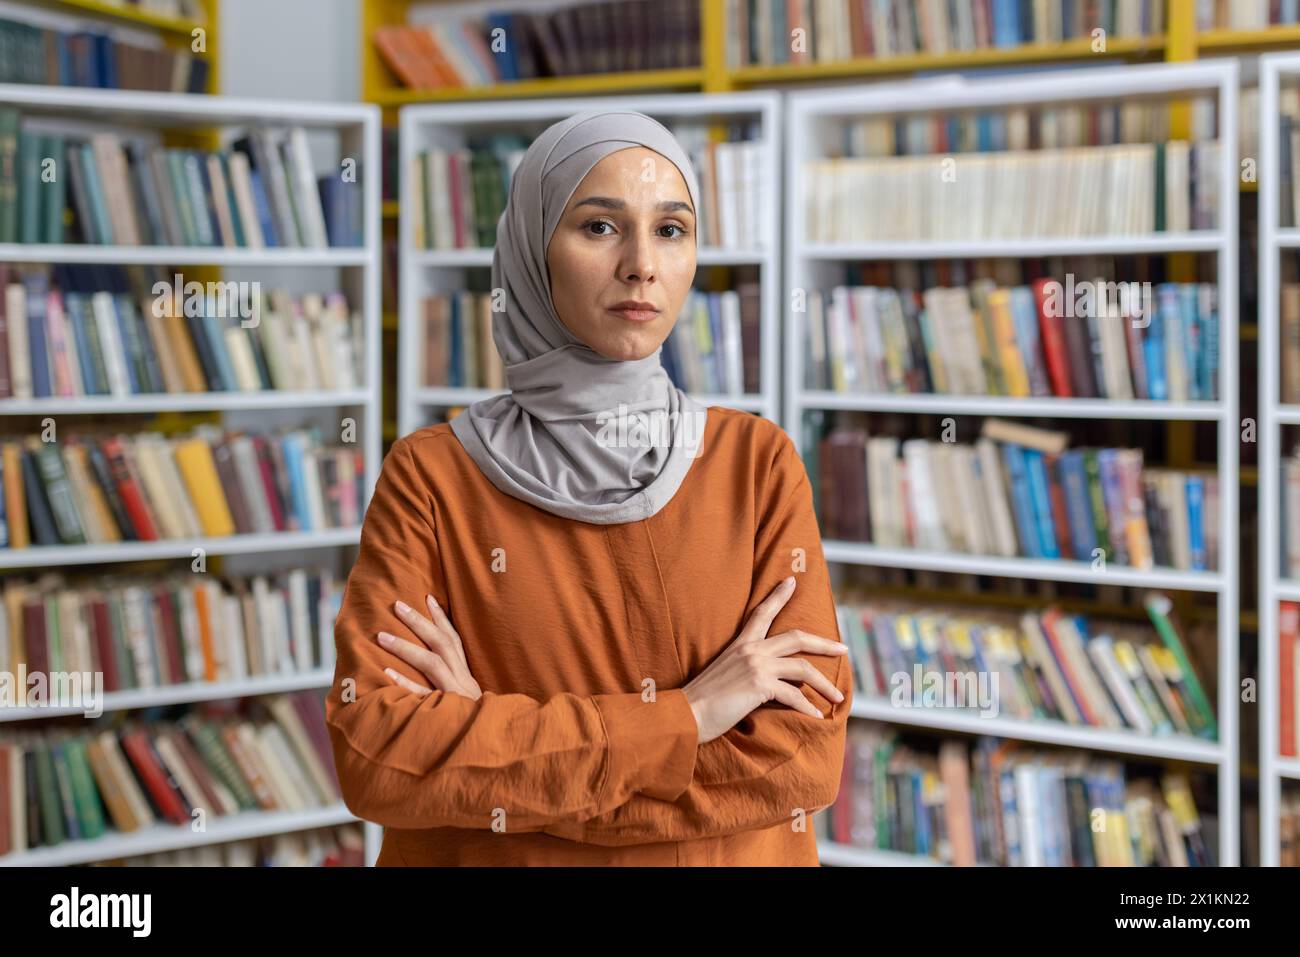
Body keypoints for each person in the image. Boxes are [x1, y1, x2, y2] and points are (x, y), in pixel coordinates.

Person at [324, 110, 853, 866]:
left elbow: (801, 761)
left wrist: (497, 757)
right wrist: (690, 716)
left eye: (671, 230)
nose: (642, 264)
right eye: (600, 227)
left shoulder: (756, 463)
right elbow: (378, 754)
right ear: (533, 246)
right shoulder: (431, 475)